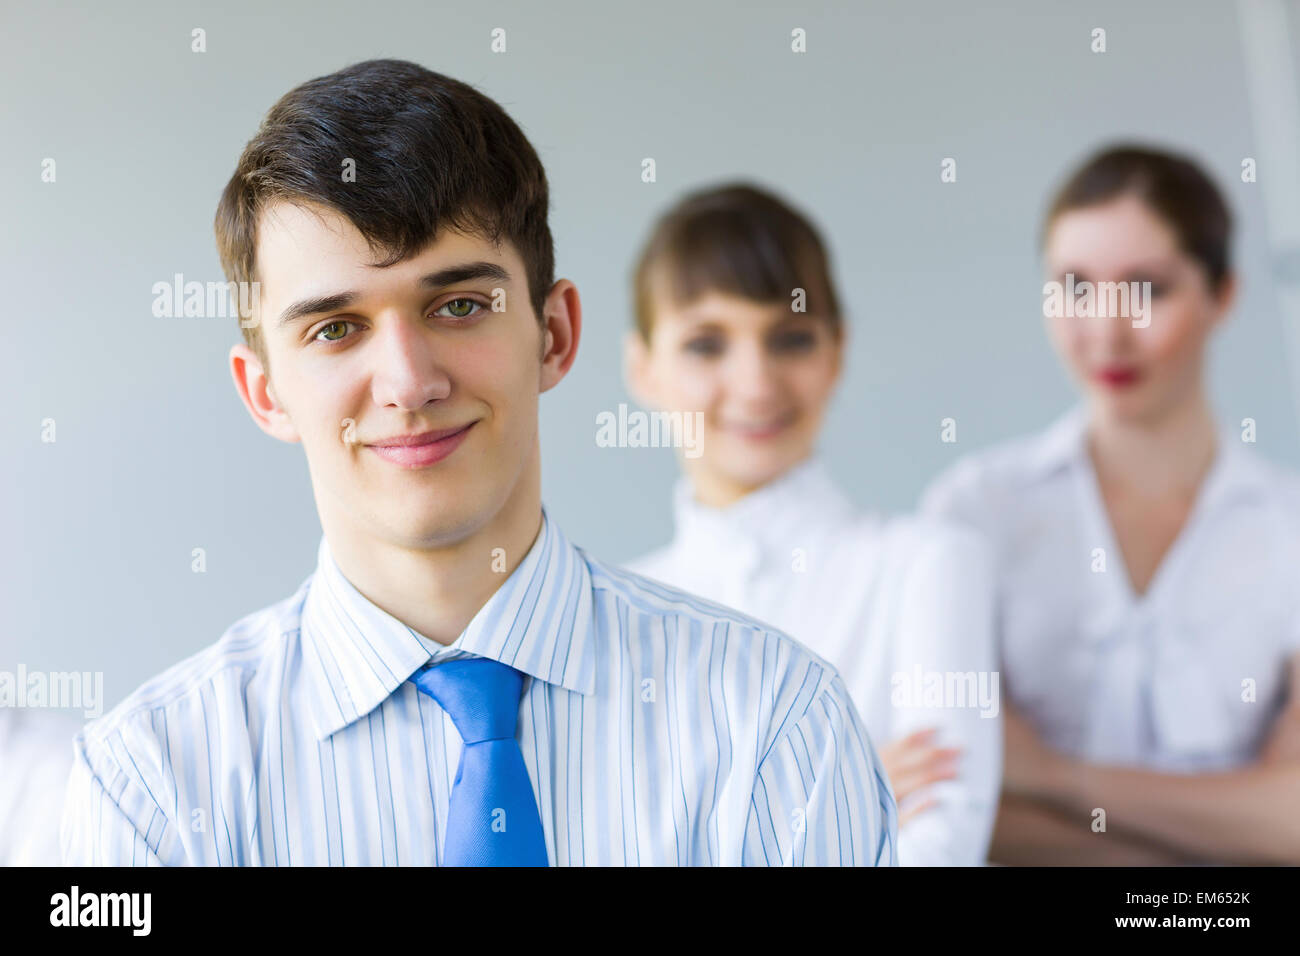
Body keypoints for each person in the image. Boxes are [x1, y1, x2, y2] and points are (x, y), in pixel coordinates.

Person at [58, 60, 896, 867]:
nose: (411, 382)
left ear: (555, 335)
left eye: (459, 306)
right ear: (267, 392)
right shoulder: (150, 788)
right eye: (336, 328)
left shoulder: (776, 721)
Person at [921, 144, 1300, 865]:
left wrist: (1052, 776)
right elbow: (951, 798)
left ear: (1223, 296)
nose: (1106, 330)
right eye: (1074, 286)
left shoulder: (1290, 525)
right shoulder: (976, 511)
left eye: (1147, 289)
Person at [622, 183, 1000, 866]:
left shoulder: (929, 564)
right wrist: (830, 805)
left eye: (790, 338)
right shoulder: (610, 611)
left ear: (837, 350)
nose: (757, 383)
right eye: (707, 344)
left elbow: (940, 850)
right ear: (643, 369)